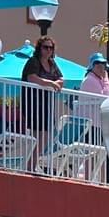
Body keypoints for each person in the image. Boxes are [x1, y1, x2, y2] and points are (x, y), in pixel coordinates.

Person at [21, 36, 65, 165]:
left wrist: (56, 83)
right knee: (36, 135)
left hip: (47, 103)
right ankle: (29, 166)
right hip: (33, 103)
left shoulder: (52, 63)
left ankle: (32, 164)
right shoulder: (33, 61)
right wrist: (51, 83)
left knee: (46, 135)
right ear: (39, 48)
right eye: (45, 47)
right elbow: (32, 78)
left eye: (51, 48)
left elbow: (61, 79)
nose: (48, 50)